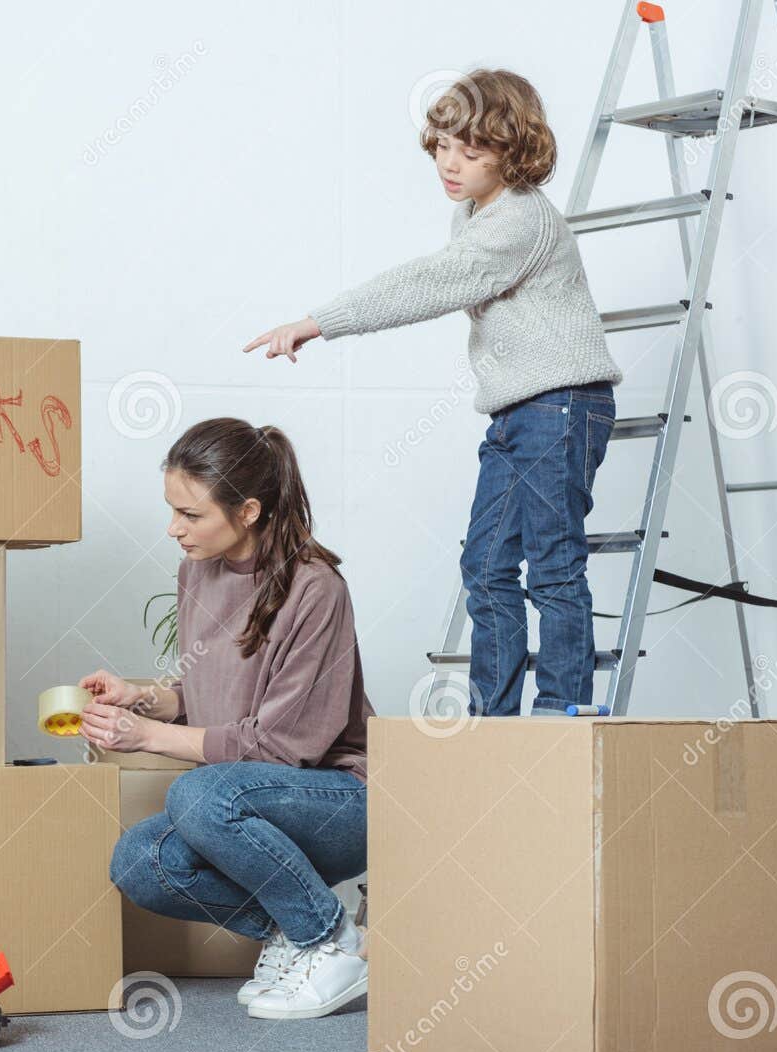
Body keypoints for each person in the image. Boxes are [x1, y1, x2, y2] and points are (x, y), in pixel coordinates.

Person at [247, 69, 622, 716]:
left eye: (471, 153)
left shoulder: (519, 221)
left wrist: (318, 323)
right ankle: (495, 719)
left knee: (553, 566)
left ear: (514, 152)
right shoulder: (475, 214)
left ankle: (563, 711)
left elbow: (427, 284)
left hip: (560, 407)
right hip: (517, 412)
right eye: (443, 145)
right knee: (485, 567)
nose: (450, 164)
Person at [86, 418, 374, 1020]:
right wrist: (138, 698)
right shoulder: (198, 569)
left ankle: (331, 940)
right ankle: (293, 930)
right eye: (172, 510)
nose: (174, 530)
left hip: (342, 801)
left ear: (248, 511)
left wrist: (149, 738)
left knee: (198, 797)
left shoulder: (315, 588)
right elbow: (204, 692)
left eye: (191, 515)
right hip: (253, 800)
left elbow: (281, 750)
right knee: (139, 861)